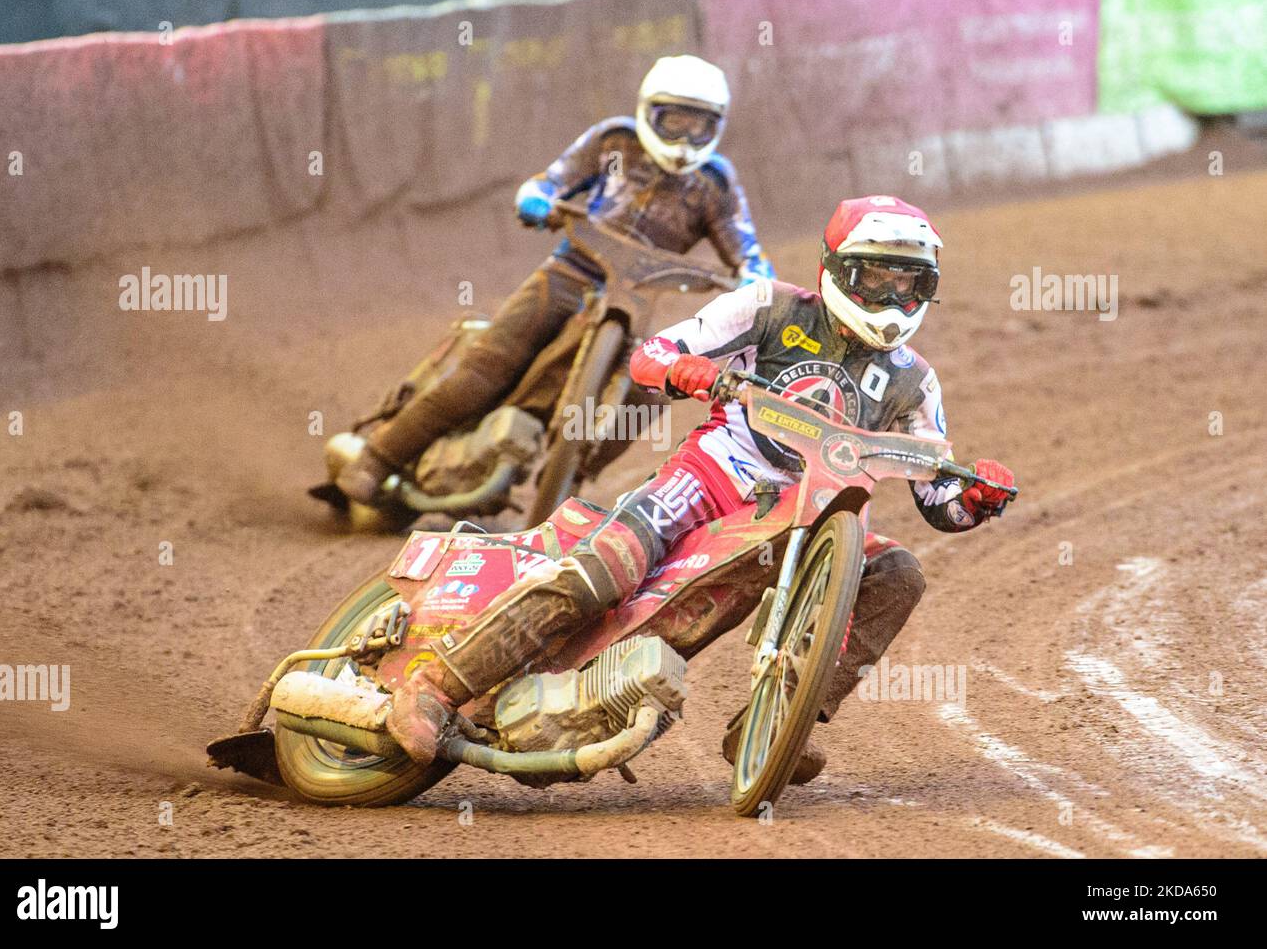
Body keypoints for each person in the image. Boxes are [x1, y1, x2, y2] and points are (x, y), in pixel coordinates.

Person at [386, 195, 1016, 782]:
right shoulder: (769, 306)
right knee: (607, 567)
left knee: (899, 573)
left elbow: (939, 500)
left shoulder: (915, 382)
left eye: (908, 282)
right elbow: (651, 353)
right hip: (713, 477)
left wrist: (976, 499)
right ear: (837, 271)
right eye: (876, 277)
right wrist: (685, 369)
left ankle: (772, 727)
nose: (891, 294)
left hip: (813, 514)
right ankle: (434, 686)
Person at [335, 54, 774, 504]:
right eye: (674, 122)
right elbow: (553, 179)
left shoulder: (715, 182)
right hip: (569, 273)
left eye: (698, 126)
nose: (684, 138)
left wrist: (756, 278)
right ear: (648, 112)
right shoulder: (613, 140)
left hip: (636, 300)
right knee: (486, 369)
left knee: (649, 395)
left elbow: (747, 249)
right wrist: (538, 198)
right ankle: (377, 458)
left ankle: (571, 480)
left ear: (716, 127)